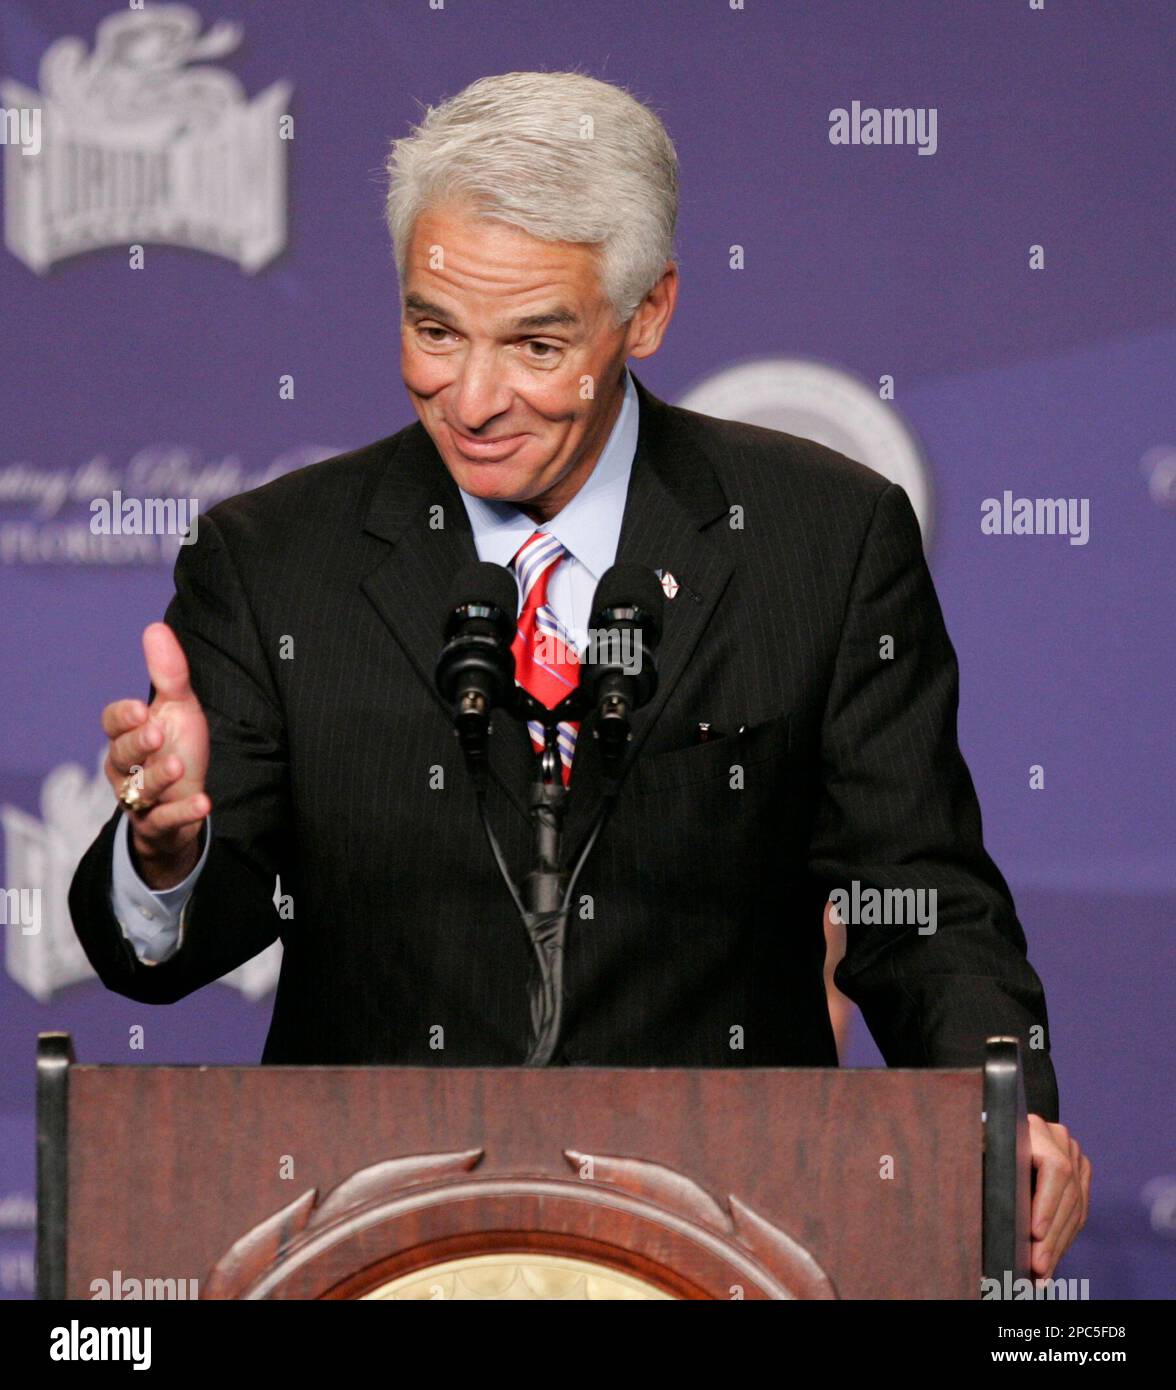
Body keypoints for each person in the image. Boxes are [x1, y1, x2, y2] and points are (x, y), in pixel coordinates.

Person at [69, 70, 1090, 1279]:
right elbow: (162, 951)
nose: (476, 397)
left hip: (726, 1238)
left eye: (537, 343)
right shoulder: (277, 557)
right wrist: (164, 853)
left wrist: (999, 1101)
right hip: (371, 1248)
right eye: (434, 331)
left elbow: (917, 896)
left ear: (646, 312)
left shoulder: (822, 540)